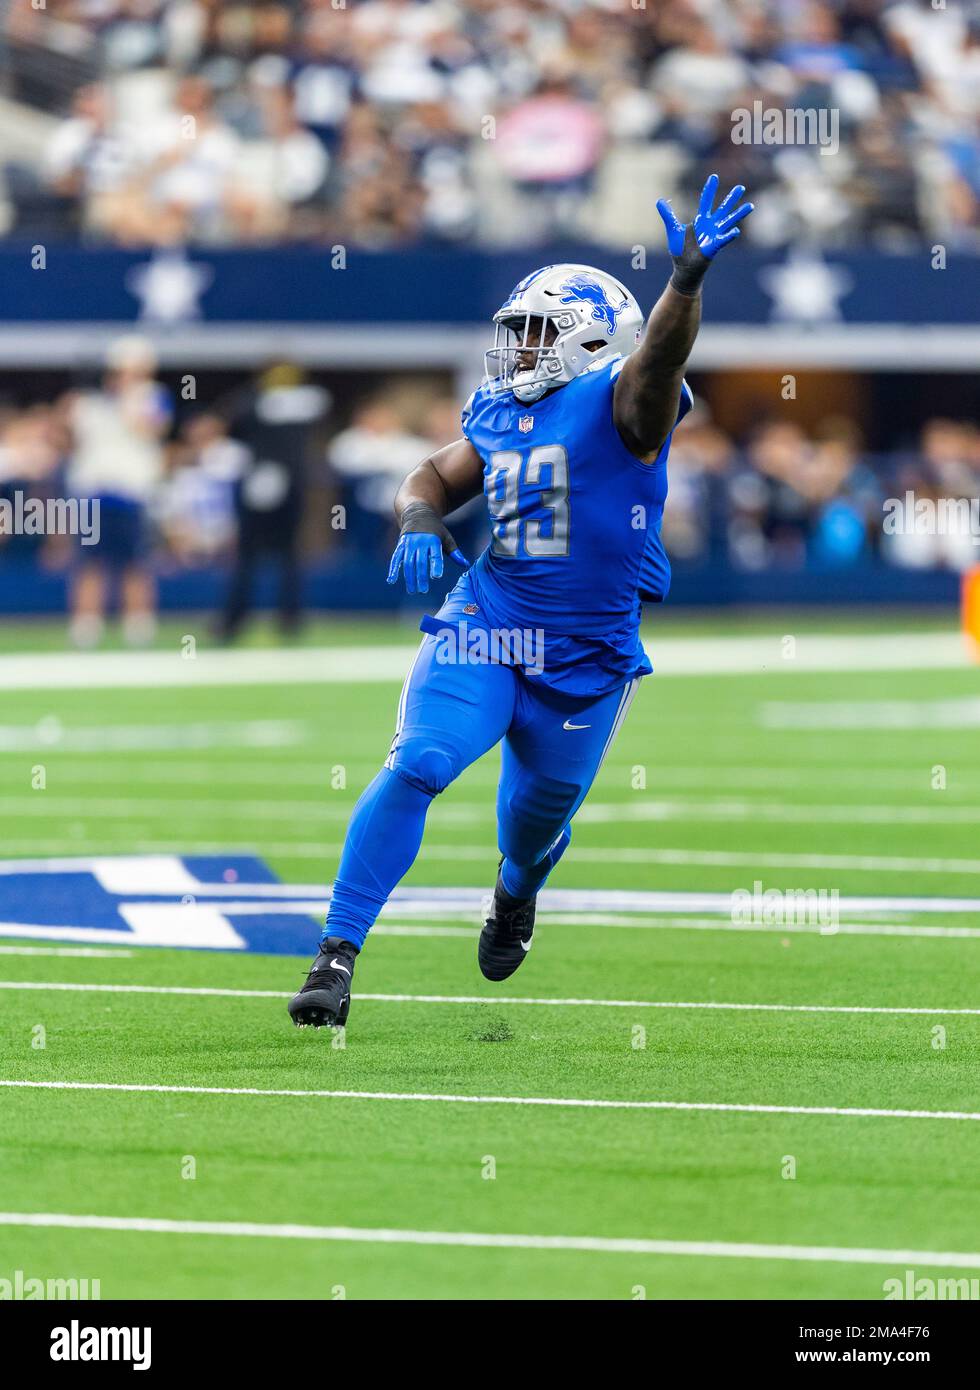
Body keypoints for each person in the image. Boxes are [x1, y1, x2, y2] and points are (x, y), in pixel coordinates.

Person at [288, 174, 754, 1029]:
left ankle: (514, 892)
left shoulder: (624, 404)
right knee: (421, 760)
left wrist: (684, 283)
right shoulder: (500, 409)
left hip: (588, 658)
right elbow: (432, 475)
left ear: (591, 341)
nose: (519, 351)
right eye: (518, 333)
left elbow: (659, 359)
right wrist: (421, 519)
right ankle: (336, 954)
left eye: (538, 333)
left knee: (532, 830)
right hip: (488, 625)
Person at [66, 337, 171, 647]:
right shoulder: (89, 403)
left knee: (136, 562)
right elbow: (74, 440)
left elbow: (152, 429)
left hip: (132, 493)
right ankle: (86, 625)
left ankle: (138, 625)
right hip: (94, 492)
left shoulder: (153, 397)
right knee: (89, 563)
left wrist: (126, 400)